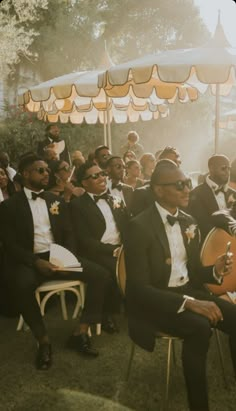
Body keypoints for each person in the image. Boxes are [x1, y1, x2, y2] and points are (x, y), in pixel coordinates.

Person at [124, 159, 236, 411]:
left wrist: (214, 271)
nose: (187, 189)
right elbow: (138, 290)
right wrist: (190, 303)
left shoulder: (188, 221)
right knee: (199, 327)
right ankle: (199, 406)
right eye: (179, 185)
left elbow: (193, 272)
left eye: (187, 183)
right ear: (159, 190)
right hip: (155, 301)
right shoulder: (138, 227)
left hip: (188, 290)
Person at [0, 154, 112, 369]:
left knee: (101, 275)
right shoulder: (9, 207)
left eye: (47, 171)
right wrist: (35, 262)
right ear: (25, 174)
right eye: (40, 170)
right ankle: (43, 341)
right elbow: (10, 244)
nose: (46, 174)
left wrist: (65, 256)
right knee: (20, 285)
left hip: (59, 255)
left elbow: (70, 232)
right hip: (30, 260)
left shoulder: (56, 200)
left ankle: (81, 331)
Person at [70, 161, 129, 333]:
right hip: (95, 252)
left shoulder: (116, 200)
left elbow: (128, 227)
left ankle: (140, 309)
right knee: (114, 270)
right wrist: (112, 250)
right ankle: (106, 315)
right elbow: (84, 240)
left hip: (120, 248)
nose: (102, 177)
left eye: (102, 173)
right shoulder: (77, 205)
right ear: (84, 183)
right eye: (95, 176)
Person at [188, 154, 236, 242]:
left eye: (229, 168)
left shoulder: (234, 194)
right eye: (223, 168)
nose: (227, 172)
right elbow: (198, 224)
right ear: (211, 168)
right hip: (208, 246)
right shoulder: (195, 194)